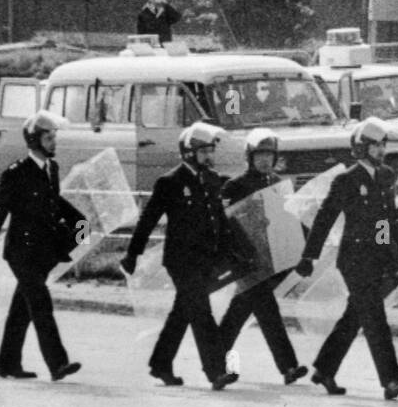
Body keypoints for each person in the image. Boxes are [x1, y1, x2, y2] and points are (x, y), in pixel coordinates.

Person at [294, 118, 398, 400]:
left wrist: (392, 249)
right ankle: (391, 380)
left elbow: (386, 218)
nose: (382, 150)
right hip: (354, 260)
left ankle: (325, 368)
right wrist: (309, 255)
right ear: (361, 148)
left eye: (383, 145)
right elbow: (325, 219)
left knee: (355, 317)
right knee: (375, 318)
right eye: (375, 145)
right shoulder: (346, 180)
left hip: (376, 258)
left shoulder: (385, 176)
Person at [120, 122, 239, 390]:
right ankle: (216, 371)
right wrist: (132, 254)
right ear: (188, 152)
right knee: (201, 312)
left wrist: (227, 251)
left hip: (205, 259)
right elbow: (148, 220)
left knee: (183, 312)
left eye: (211, 151)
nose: (209, 156)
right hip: (181, 260)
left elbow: (218, 220)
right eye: (204, 151)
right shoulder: (170, 182)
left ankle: (161, 363)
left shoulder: (210, 179)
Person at [0, 110, 85, 382]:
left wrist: (81, 223)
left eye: (54, 137)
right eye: (49, 137)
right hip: (21, 252)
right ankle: (57, 363)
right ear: (35, 141)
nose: (53, 142)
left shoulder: (52, 169)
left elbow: (53, 203)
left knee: (21, 310)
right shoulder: (16, 174)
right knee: (40, 303)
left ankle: (7, 364)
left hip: (43, 252)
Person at [217, 128, 308, 385]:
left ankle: (213, 361)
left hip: (269, 260)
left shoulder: (278, 183)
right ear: (250, 156)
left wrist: (306, 239)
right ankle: (288, 367)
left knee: (238, 313)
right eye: (260, 155)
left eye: (269, 154)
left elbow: (289, 217)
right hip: (246, 260)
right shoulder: (235, 186)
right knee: (268, 312)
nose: (265, 160)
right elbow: (226, 222)